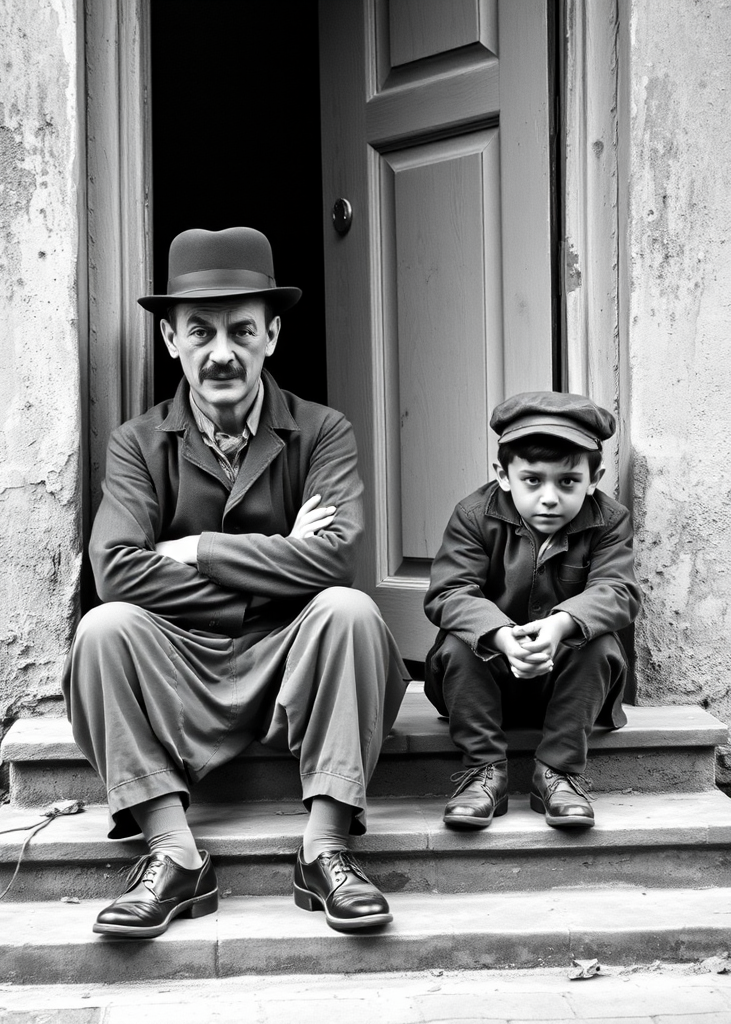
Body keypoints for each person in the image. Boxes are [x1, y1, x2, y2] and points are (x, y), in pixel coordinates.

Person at [62, 226, 408, 938]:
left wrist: (194, 549)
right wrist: (279, 558)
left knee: (346, 611)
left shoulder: (323, 431)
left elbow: (336, 559)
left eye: (241, 330)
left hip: (292, 658)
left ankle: (326, 848)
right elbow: (116, 569)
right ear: (170, 341)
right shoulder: (137, 441)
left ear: (272, 335)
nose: (222, 353)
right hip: (179, 665)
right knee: (103, 628)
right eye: (200, 331)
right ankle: (173, 852)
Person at [424, 392, 641, 831]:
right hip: (489, 681)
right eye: (532, 480)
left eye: (567, 482)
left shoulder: (609, 519)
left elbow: (618, 590)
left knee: (600, 643)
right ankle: (485, 771)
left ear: (593, 478)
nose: (549, 498)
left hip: (565, 684)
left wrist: (562, 625)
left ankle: (557, 773)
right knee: (458, 643)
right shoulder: (472, 515)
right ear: (503, 476)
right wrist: (501, 636)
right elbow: (450, 592)